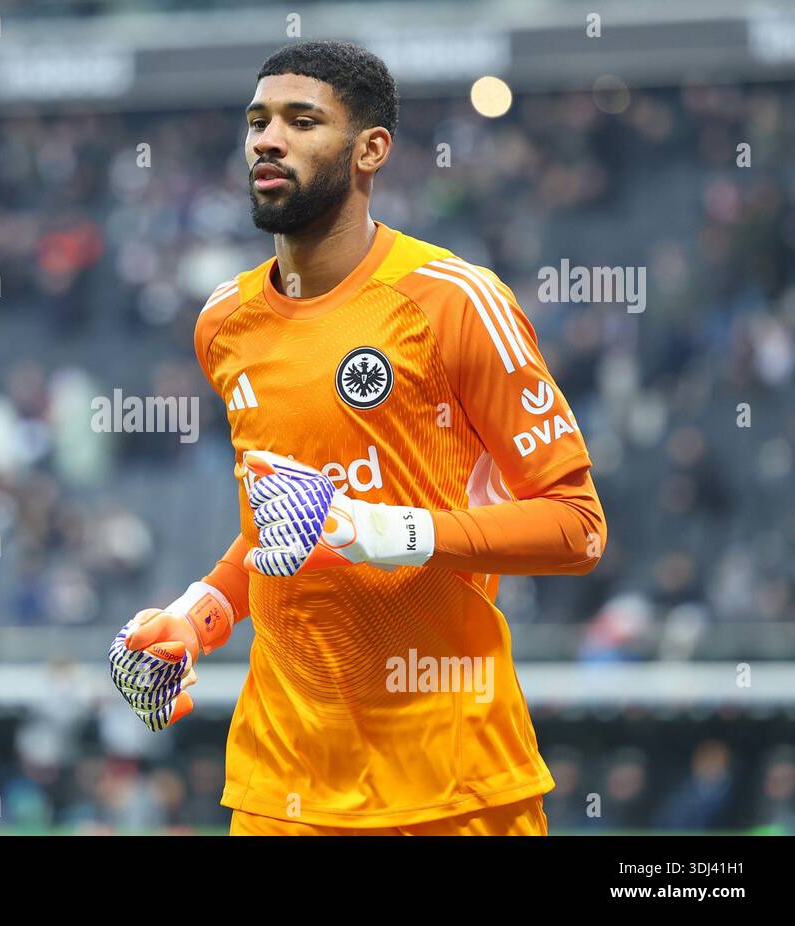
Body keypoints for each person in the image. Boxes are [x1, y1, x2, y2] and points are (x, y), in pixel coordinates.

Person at [109, 41, 606, 836]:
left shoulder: (454, 302)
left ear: (371, 149)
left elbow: (577, 529)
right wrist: (199, 612)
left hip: (454, 784)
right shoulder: (222, 324)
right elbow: (276, 531)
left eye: (302, 121)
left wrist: (388, 530)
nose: (268, 139)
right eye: (258, 121)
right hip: (283, 790)